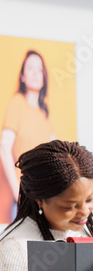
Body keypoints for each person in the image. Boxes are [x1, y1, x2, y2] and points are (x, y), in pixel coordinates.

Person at [1, 50, 57, 222]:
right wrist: (19, 195)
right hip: (24, 198)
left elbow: (55, 154)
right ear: (23, 76)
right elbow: (4, 148)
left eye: (39, 69)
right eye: (30, 68)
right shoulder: (17, 102)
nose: (35, 73)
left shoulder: (44, 112)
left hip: (44, 199)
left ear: (44, 77)